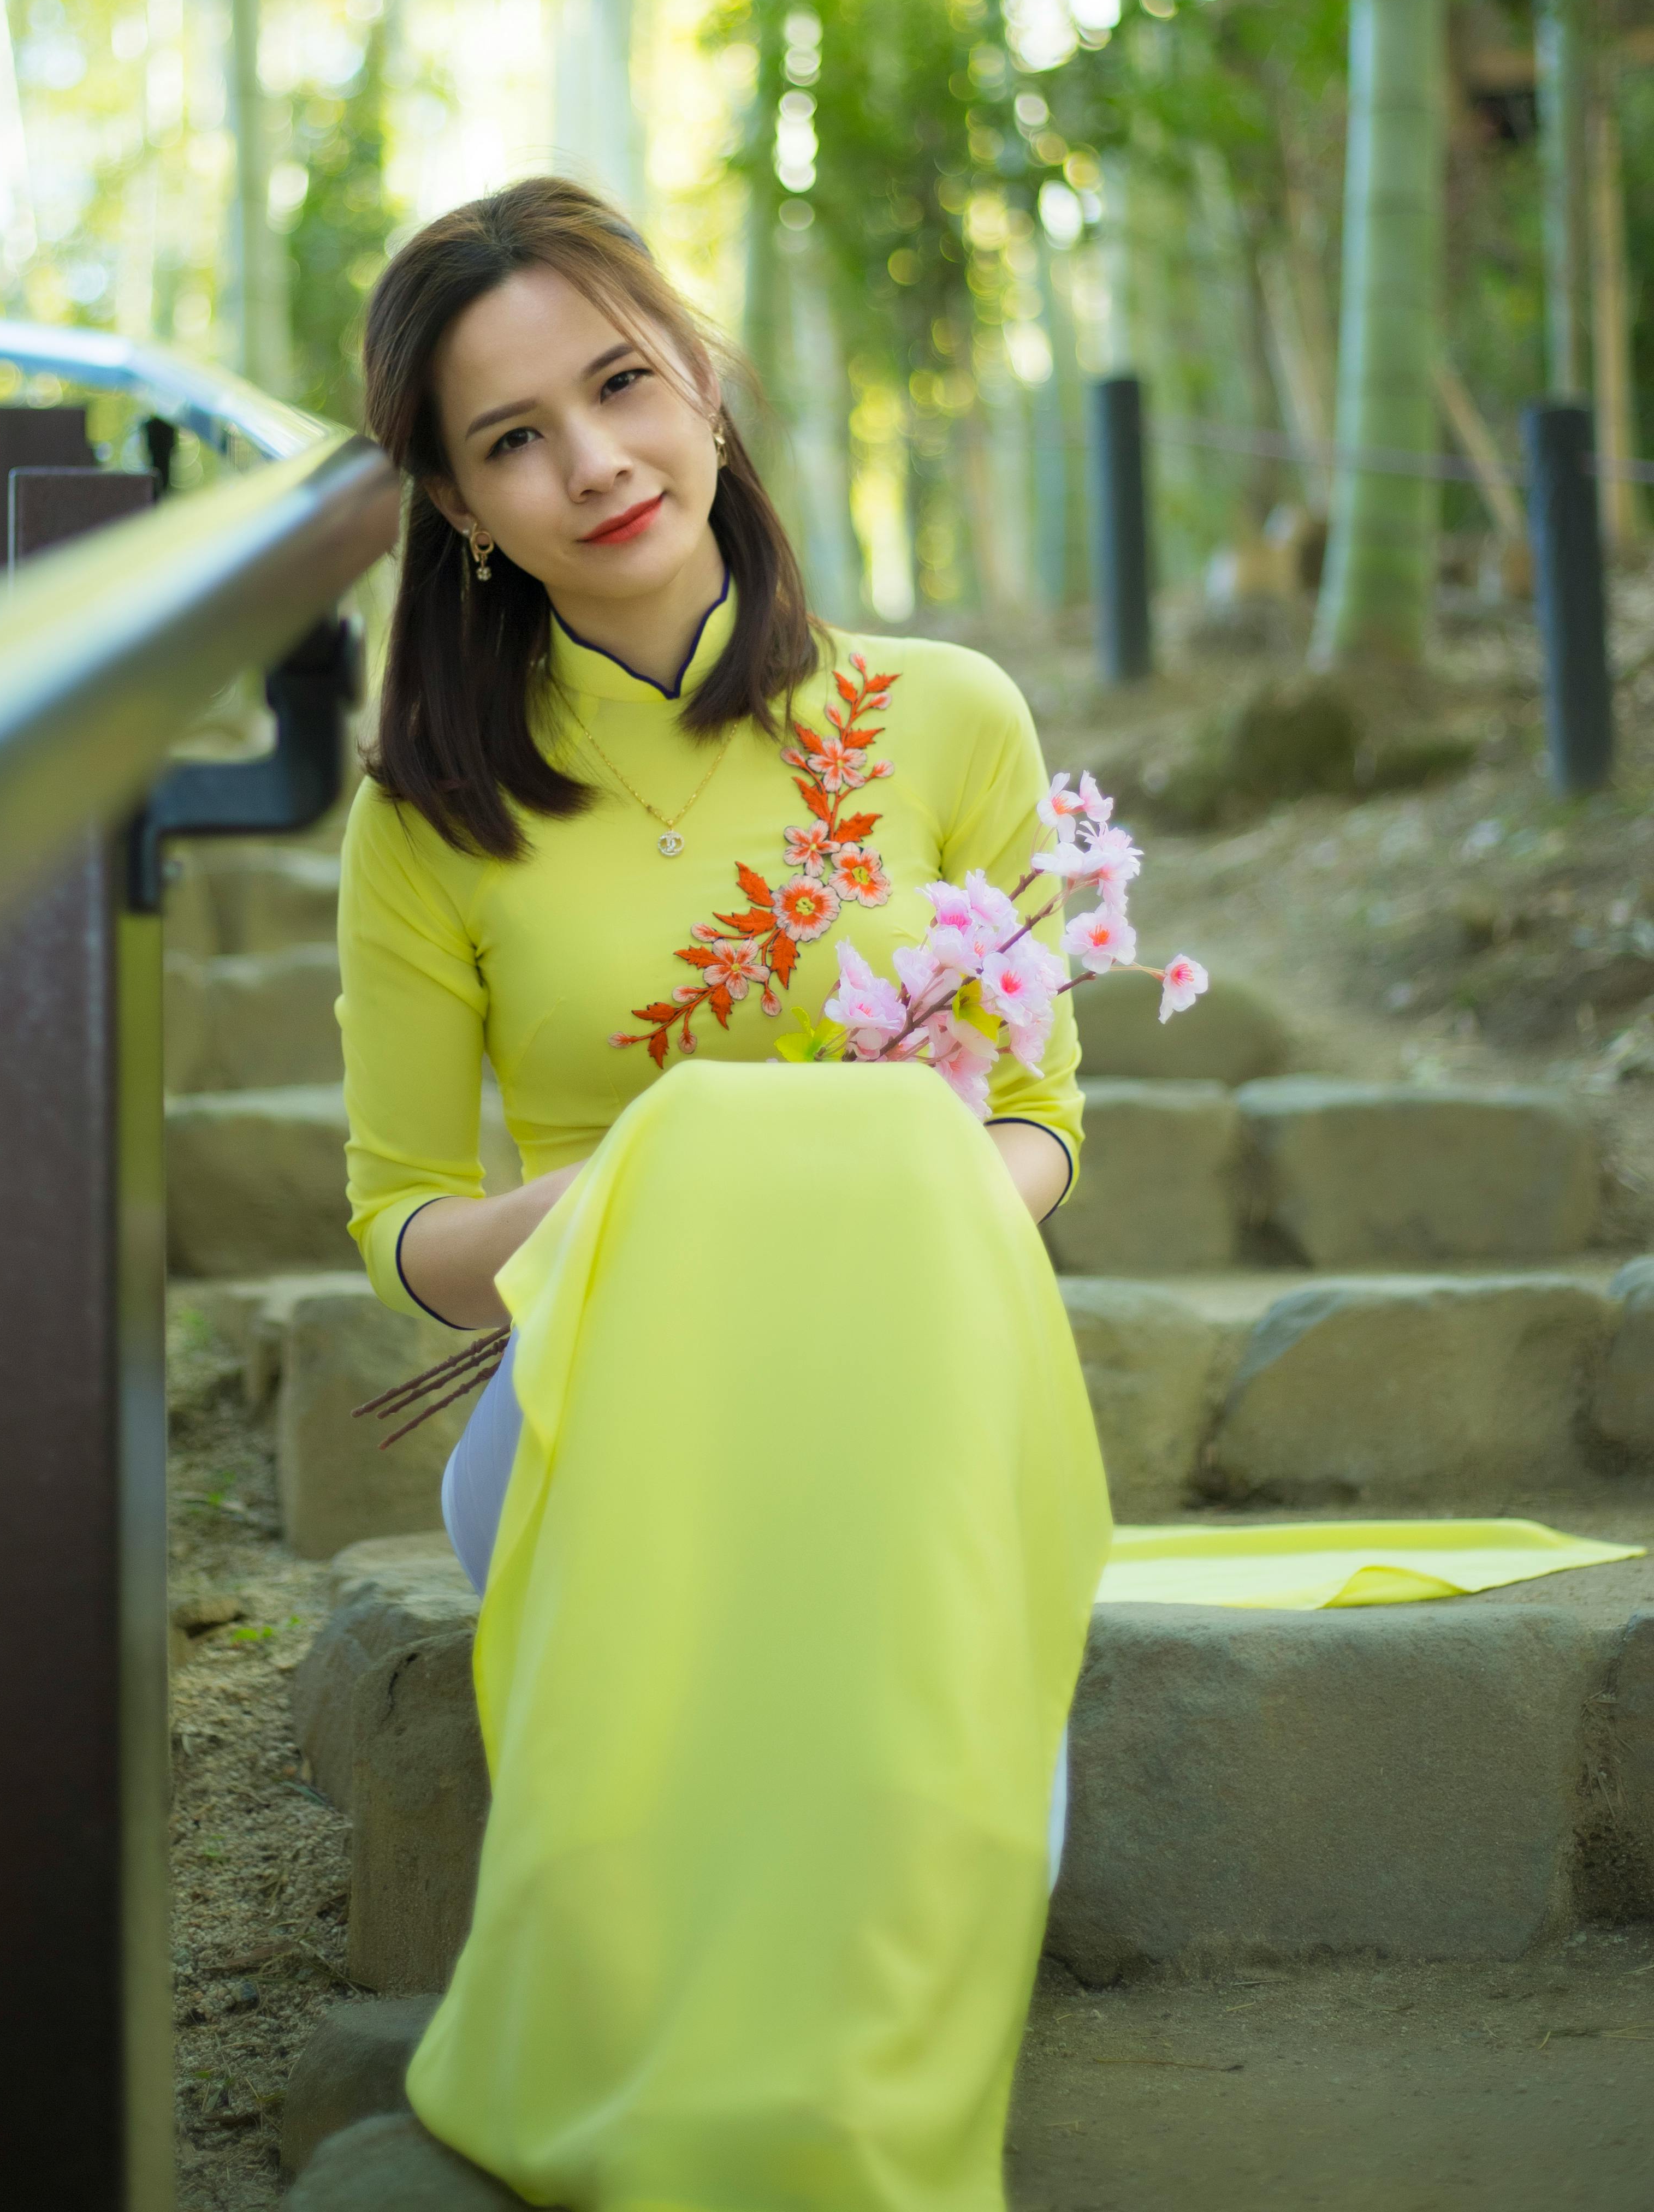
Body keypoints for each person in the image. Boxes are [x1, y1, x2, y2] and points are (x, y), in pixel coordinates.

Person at [336, 176, 1112, 2211]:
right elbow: (409, 1228)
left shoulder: (942, 717)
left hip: (915, 1368)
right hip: (600, 1396)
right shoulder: (430, 821)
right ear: (455, 507)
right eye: (512, 439)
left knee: (917, 1558)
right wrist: (658, 1186)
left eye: (620, 384)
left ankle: (885, 2075)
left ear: (702, 381)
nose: (592, 462)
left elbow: (1037, 1138)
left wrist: (842, 1176)